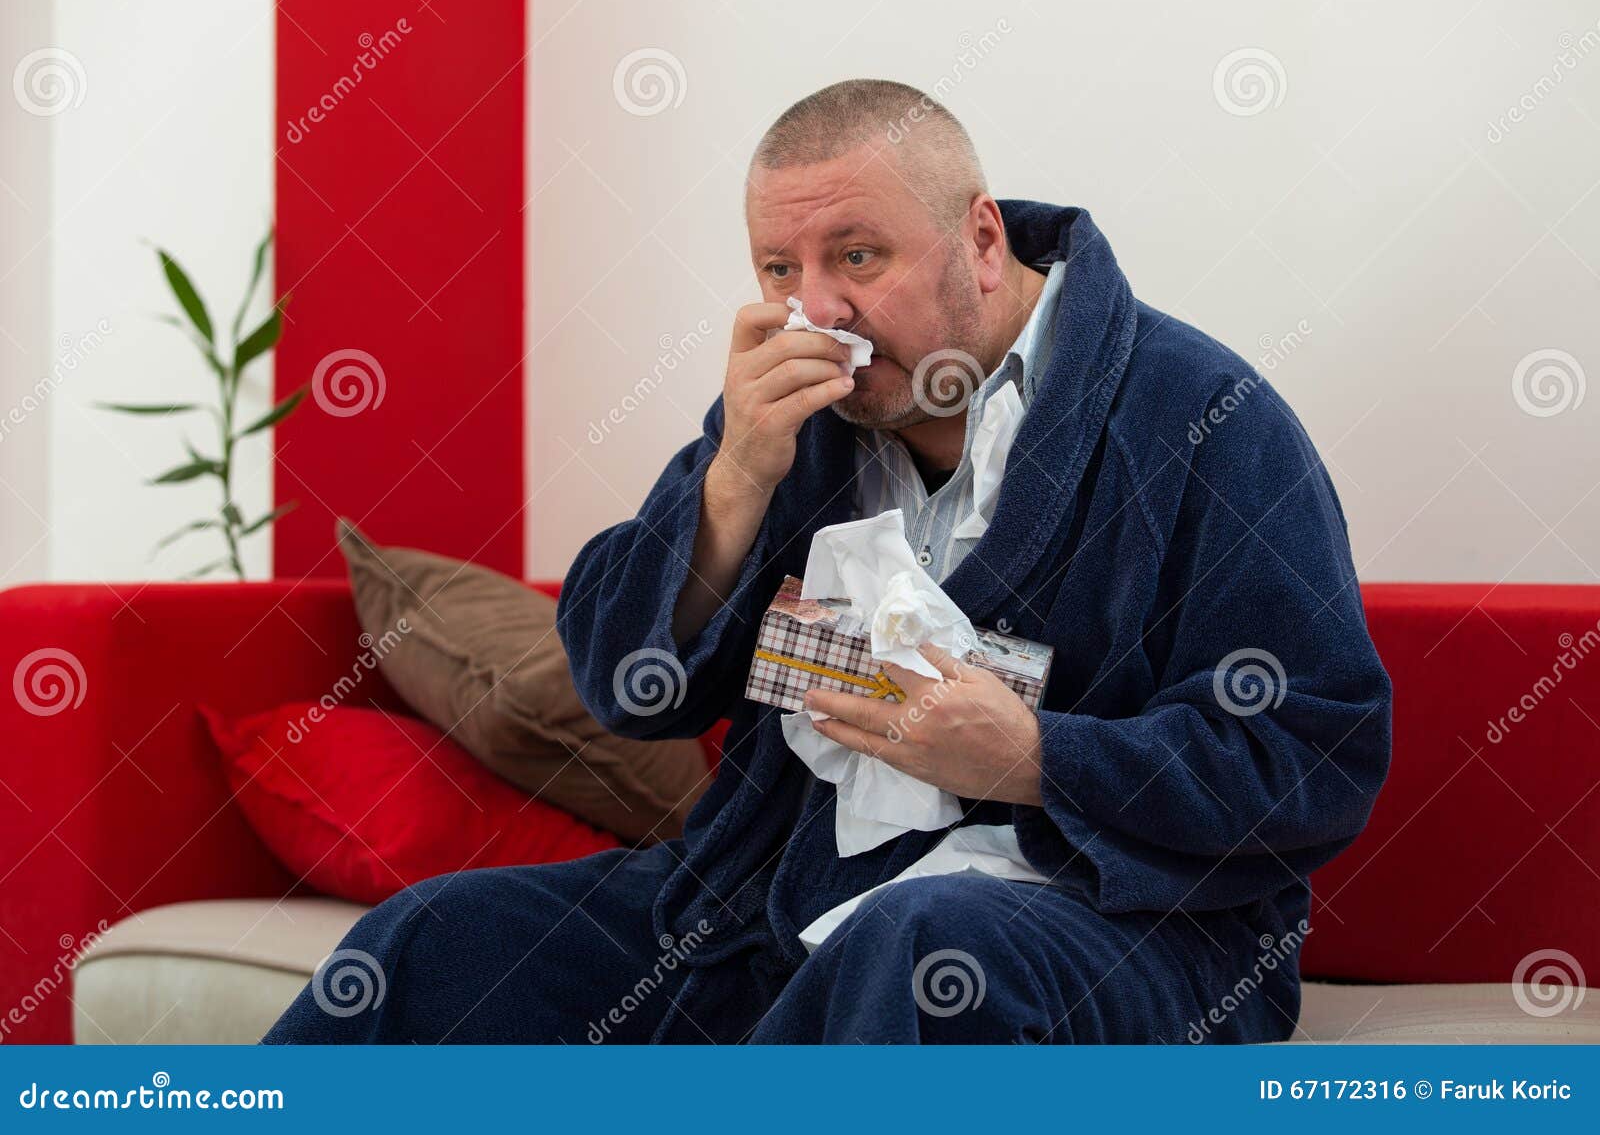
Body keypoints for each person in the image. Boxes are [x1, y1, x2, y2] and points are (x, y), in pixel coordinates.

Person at [264, 79, 1391, 1045]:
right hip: (776, 897)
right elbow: (620, 679)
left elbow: (1315, 751)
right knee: (430, 945)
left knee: (918, 952)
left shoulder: (1205, 419)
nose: (817, 308)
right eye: (777, 267)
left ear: (982, 240)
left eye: (857, 254)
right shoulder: (788, 414)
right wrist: (733, 483)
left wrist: (1039, 756)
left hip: (1118, 924)